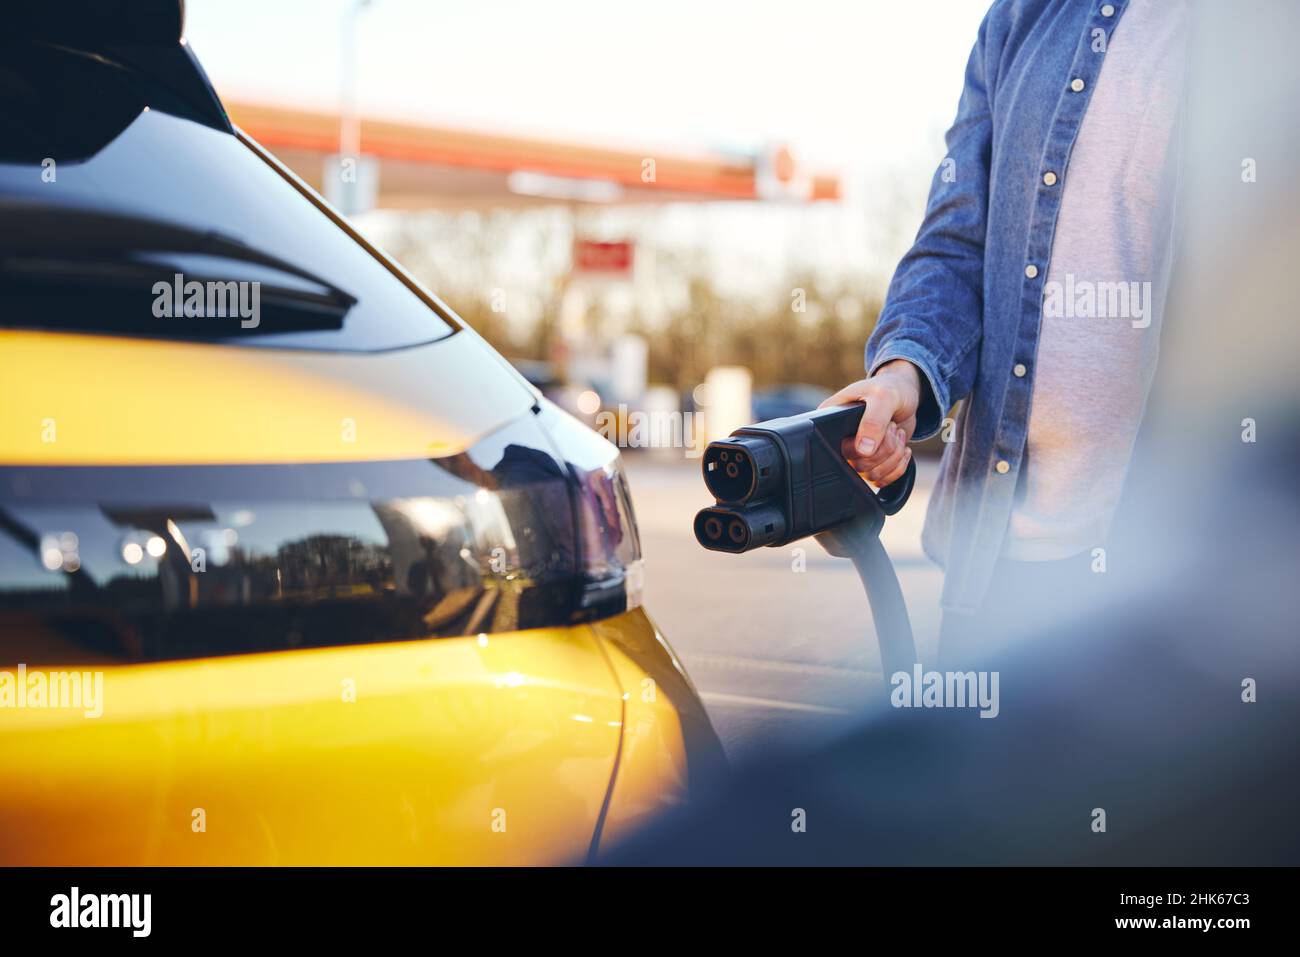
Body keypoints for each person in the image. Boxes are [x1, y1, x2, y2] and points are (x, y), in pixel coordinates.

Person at [820, 0, 1189, 664]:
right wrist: (903, 371)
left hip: (1182, 583)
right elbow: (957, 244)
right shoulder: (1021, 18)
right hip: (998, 567)